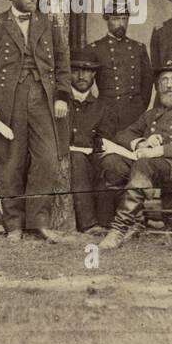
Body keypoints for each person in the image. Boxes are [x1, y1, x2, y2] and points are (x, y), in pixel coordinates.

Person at [0, 0, 71, 242]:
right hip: (8, 102)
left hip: (43, 99)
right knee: (10, 163)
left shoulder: (48, 23)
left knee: (48, 160)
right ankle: (14, 225)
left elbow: (63, 64)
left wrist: (62, 95)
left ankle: (38, 221)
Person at [98, 61, 172, 250]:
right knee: (112, 162)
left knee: (144, 164)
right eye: (164, 80)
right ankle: (137, 221)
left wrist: (158, 150)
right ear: (158, 85)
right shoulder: (152, 114)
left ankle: (118, 230)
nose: (168, 84)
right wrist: (143, 142)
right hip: (149, 169)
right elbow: (123, 135)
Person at [66, 47, 116, 235]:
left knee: (108, 164)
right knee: (77, 158)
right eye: (76, 70)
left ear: (94, 74)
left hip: (90, 159)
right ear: (69, 72)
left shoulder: (102, 108)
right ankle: (88, 224)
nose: (81, 75)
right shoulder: (59, 102)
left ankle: (107, 221)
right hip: (63, 159)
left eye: (87, 71)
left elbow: (104, 139)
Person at [89, 2, 153, 137]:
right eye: (116, 19)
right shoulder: (95, 49)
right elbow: (85, 82)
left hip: (134, 113)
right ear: (106, 19)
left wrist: (140, 107)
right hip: (107, 113)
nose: (121, 23)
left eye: (124, 18)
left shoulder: (138, 48)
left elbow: (147, 83)